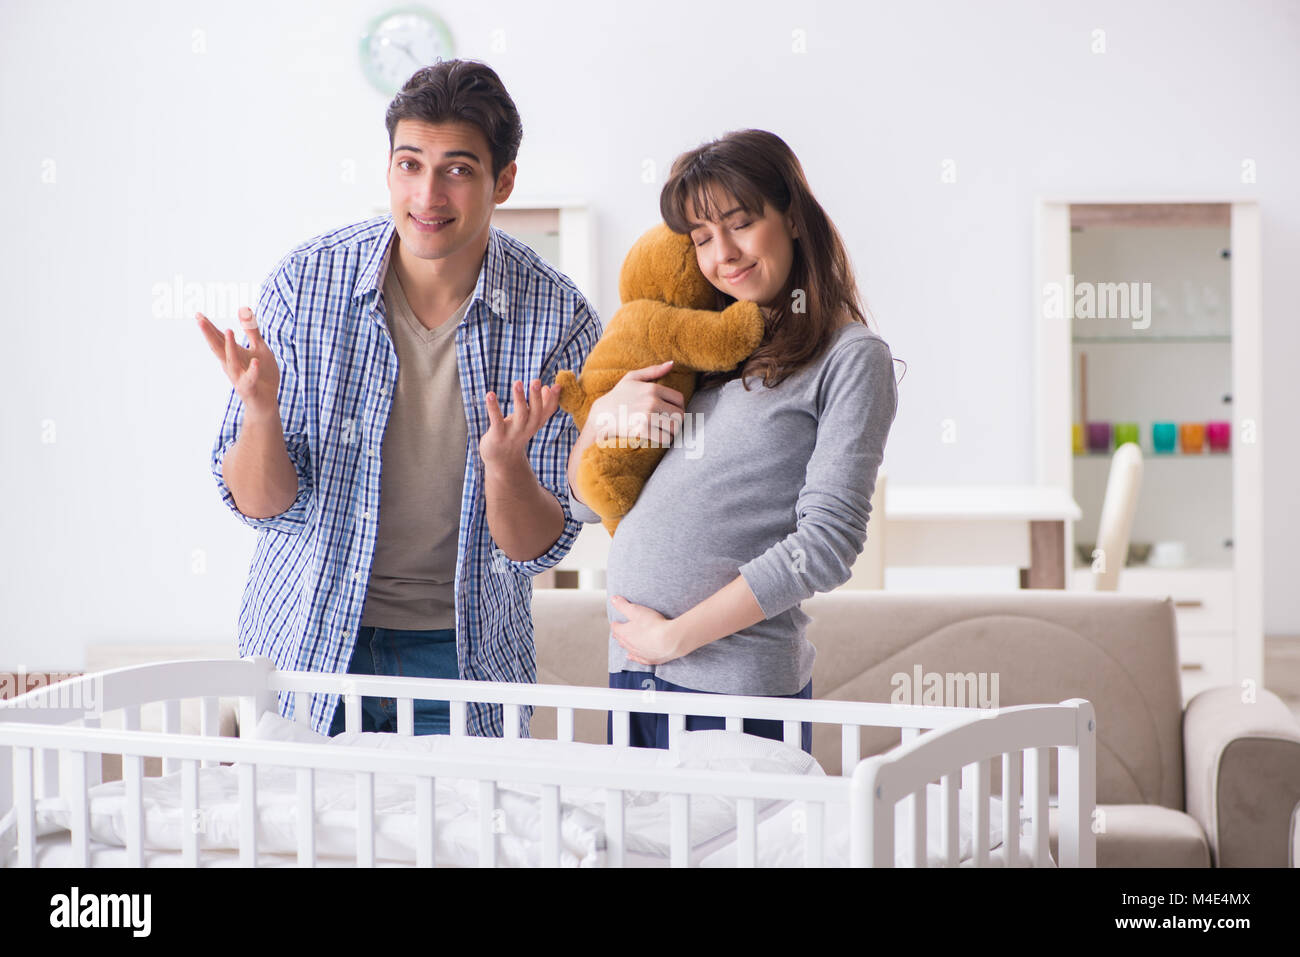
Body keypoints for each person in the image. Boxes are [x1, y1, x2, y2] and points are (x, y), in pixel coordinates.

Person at [196, 59, 600, 738]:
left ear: (503, 181)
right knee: (306, 844)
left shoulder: (558, 320)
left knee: (462, 844)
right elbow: (261, 506)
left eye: (458, 170)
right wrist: (261, 412)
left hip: (464, 657)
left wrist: (505, 467)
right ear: (389, 169)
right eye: (410, 165)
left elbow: (536, 550)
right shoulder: (307, 282)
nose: (428, 195)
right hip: (309, 638)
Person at [567, 129, 900, 754]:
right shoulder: (700, 354)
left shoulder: (850, 358)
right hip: (633, 675)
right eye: (701, 239)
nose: (724, 254)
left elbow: (827, 545)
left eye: (742, 223)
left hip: (733, 688)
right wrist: (602, 419)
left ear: (794, 218)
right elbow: (586, 504)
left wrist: (678, 637)